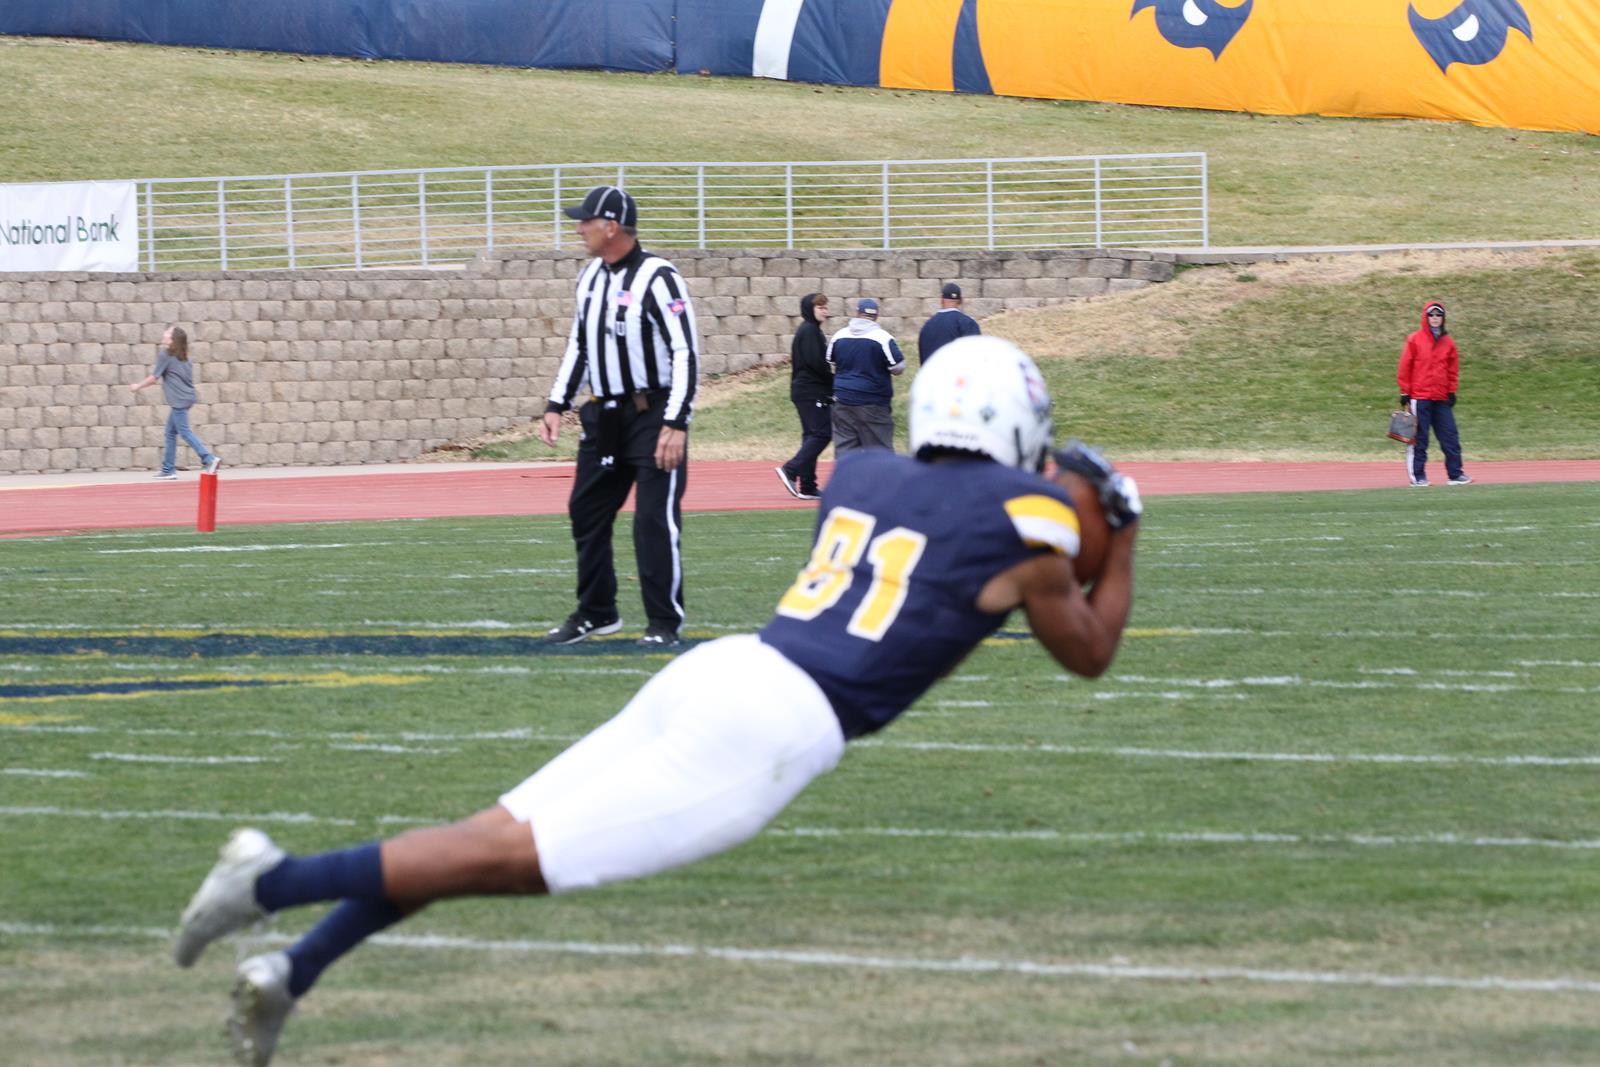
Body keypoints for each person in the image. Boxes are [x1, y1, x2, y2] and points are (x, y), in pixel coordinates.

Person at [171, 336, 1143, 1067]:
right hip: (778, 725)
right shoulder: (1031, 519)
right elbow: (1088, 648)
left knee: (491, 832)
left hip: (722, 669)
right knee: (506, 856)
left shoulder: (865, 474)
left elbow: (960, 513)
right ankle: (272, 880)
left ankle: (292, 970)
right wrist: (1122, 524)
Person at [537, 186, 700, 647]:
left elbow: (686, 351)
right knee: (586, 509)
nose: (578, 227)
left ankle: (664, 624)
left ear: (611, 226)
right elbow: (580, 345)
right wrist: (556, 403)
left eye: (586, 220)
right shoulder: (588, 277)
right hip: (604, 415)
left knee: (653, 519)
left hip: (653, 413)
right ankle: (597, 612)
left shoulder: (659, 276)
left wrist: (677, 421)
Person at [129, 325, 221, 479]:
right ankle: (168, 470)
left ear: (172, 339)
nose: (164, 333)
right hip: (187, 398)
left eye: (168, 332)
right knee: (170, 433)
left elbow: (154, 378)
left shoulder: (165, 355)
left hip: (178, 400)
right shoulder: (185, 357)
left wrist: (137, 386)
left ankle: (209, 459)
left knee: (184, 431)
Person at [1398, 300, 1471, 487]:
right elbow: (1405, 366)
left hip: (1441, 397)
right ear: (1426, 317)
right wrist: (1405, 392)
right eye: (1432, 315)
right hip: (1420, 397)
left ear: (1443, 318)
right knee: (1420, 439)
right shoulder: (1415, 339)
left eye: (1439, 315)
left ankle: (1455, 474)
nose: (1435, 318)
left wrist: (1451, 391)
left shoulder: (1448, 342)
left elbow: (1452, 369)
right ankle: (1418, 477)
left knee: (1450, 436)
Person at [826, 297, 905, 453]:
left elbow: (829, 359)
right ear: (876, 316)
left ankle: (846, 476)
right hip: (873, 401)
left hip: (843, 398)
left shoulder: (839, 335)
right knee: (879, 447)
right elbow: (898, 367)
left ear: (857, 313)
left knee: (845, 446)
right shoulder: (883, 338)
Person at [775, 292, 832, 500]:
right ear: (810, 309)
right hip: (810, 391)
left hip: (807, 390)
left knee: (811, 435)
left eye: (825, 307)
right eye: (820, 307)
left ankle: (808, 485)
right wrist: (832, 382)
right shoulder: (810, 331)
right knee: (822, 433)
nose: (825, 311)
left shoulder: (812, 331)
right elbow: (815, 363)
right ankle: (791, 470)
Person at [916, 282, 981, 364]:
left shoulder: (927, 326)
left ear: (941, 300)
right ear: (961, 300)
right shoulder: (968, 323)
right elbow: (975, 356)